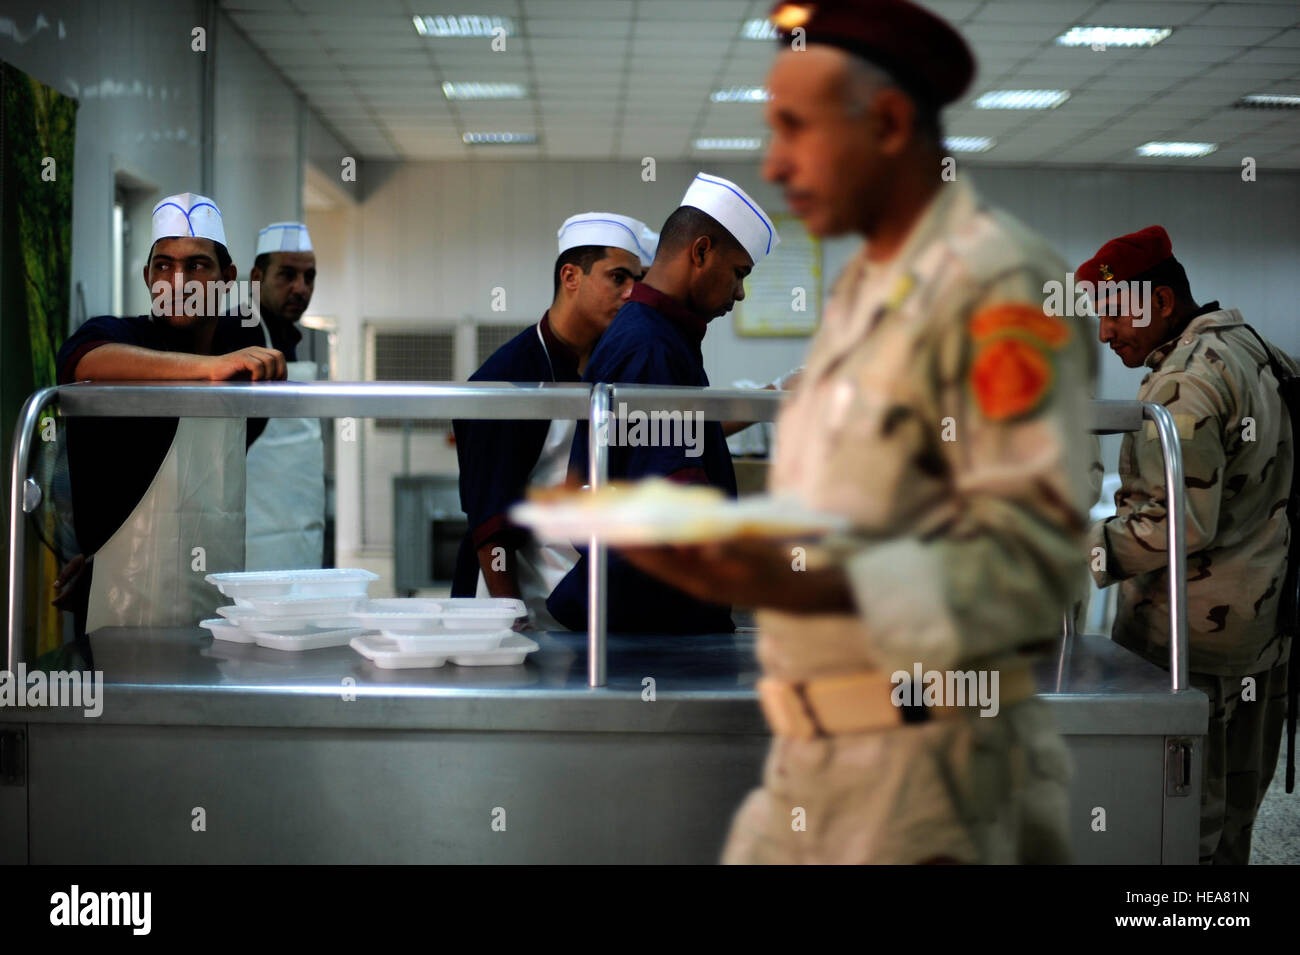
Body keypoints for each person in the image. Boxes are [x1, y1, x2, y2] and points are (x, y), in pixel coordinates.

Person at [616, 0, 1095, 863]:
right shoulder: (864, 302)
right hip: (814, 749)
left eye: (797, 129)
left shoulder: (998, 286)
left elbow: (1032, 557)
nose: (775, 160)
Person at [1083, 224, 1296, 864]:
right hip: (1264, 635)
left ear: (1164, 304)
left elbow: (1173, 526)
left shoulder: (1183, 384)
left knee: (1172, 824)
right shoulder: (1264, 353)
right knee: (1234, 818)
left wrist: (1071, 550)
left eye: (1116, 314)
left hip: (1187, 645)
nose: (1105, 333)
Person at [546, 173, 780, 635]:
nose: (739, 293)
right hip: (650, 627)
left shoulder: (656, 335)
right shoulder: (651, 348)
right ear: (701, 252)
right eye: (739, 273)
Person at [54, 193, 285, 635]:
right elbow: (84, 360)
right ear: (147, 277)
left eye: (197, 265)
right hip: (118, 606)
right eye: (163, 265)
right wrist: (212, 369)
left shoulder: (240, 372)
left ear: (228, 277)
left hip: (216, 605)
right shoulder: (118, 334)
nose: (178, 281)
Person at [451, 212, 655, 629]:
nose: (631, 293)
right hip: (516, 600)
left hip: (574, 600)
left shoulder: (608, 363)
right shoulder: (509, 375)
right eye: (618, 278)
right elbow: (488, 523)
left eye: (637, 280)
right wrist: (511, 619)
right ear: (571, 276)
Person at [244, 221, 326, 571]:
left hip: (300, 527)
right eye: (287, 275)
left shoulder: (294, 340)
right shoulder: (238, 333)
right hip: (253, 535)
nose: (300, 288)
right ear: (256, 277)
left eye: (309, 277)